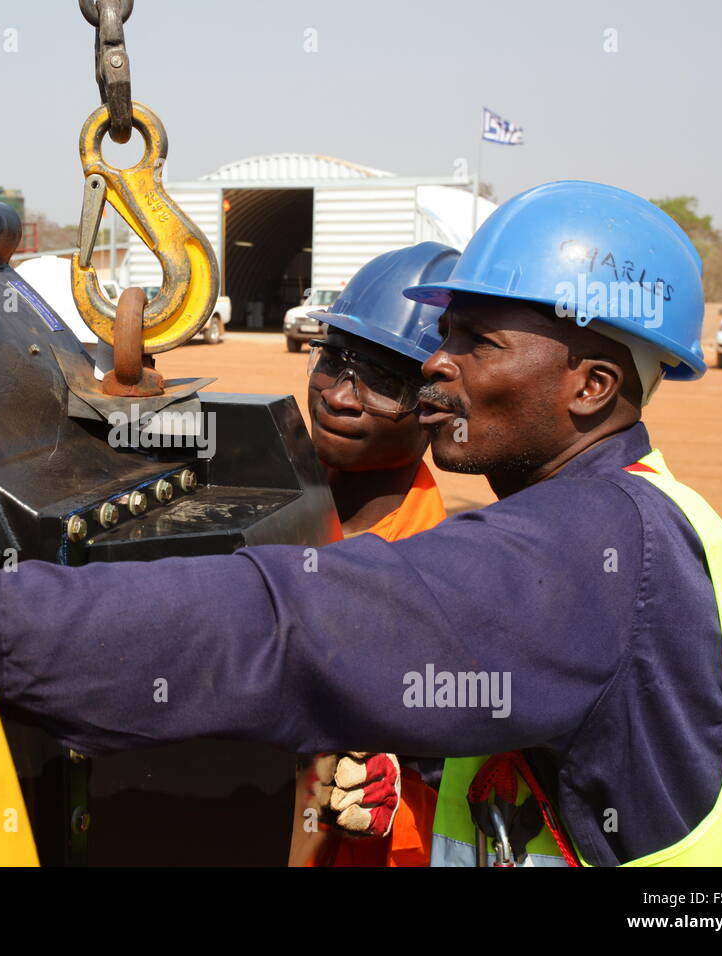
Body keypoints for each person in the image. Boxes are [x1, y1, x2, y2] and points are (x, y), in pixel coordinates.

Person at [0, 181, 722, 865]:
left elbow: (278, 630)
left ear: (590, 387)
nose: (438, 360)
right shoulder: (660, 514)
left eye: (478, 341)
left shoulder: (588, 544)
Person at [289, 242, 458, 867]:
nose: (340, 397)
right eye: (334, 360)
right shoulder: (268, 500)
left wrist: (408, 771)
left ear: (439, 406)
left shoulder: (437, 576)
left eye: (386, 382)